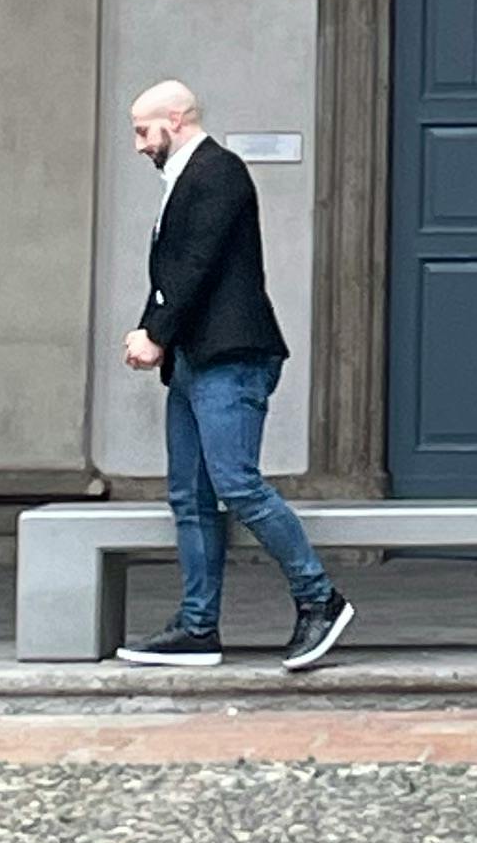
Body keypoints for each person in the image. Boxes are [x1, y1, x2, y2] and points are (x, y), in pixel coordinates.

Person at [117, 80, 353, 674]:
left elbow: (198, 261)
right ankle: (198, 628)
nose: (139, 145)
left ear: (176, 118)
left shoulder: (218, 171)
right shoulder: (187, 178)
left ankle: (320, 598)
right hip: (195, 359)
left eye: (144, 131)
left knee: (237, 484)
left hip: (231, 356)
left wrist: (155, 333)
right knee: (189, 498)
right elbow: (177, 272)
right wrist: (153, 330)